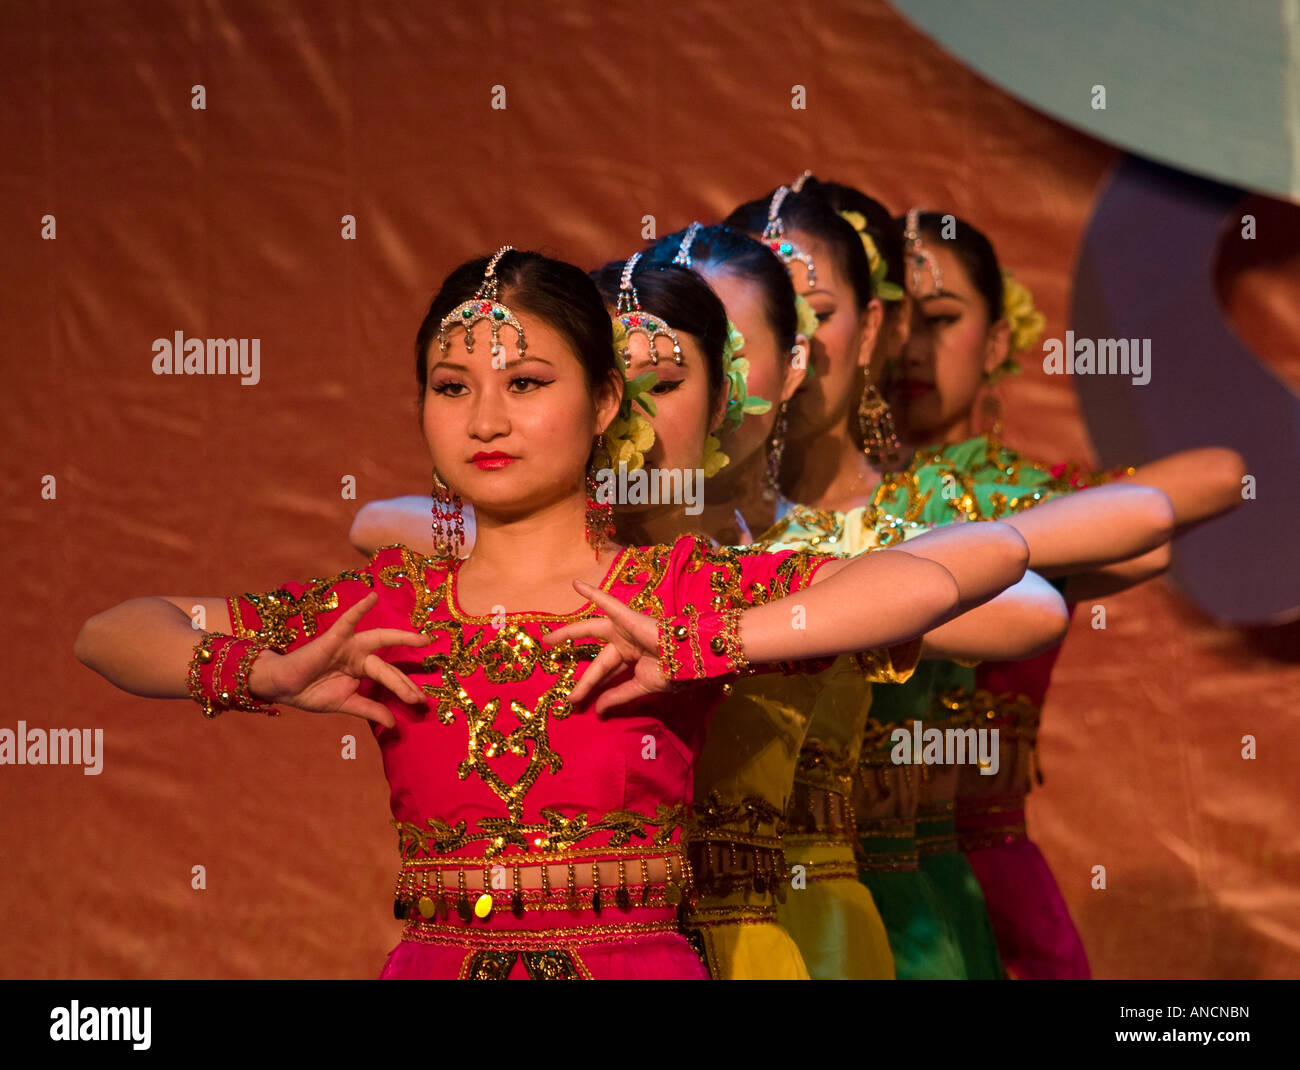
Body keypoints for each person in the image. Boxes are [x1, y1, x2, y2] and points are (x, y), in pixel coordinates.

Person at [75, 246, 988, 981]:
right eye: (450, 385)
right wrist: (253, 672)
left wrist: (709, 642)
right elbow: (113, 628)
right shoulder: (391, 603)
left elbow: (934, 581)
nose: (484, 421)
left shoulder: (669, 589)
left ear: (602, 404)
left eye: (525, 383)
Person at [883, 209, 1246, 978]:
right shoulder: (826, 505)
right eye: (894, 320)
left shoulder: (1025, 500)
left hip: (981, 862)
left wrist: (998, 540)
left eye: (941, 320)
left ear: (996, 342)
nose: (911, 348)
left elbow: (1216, 476)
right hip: (838, 863)